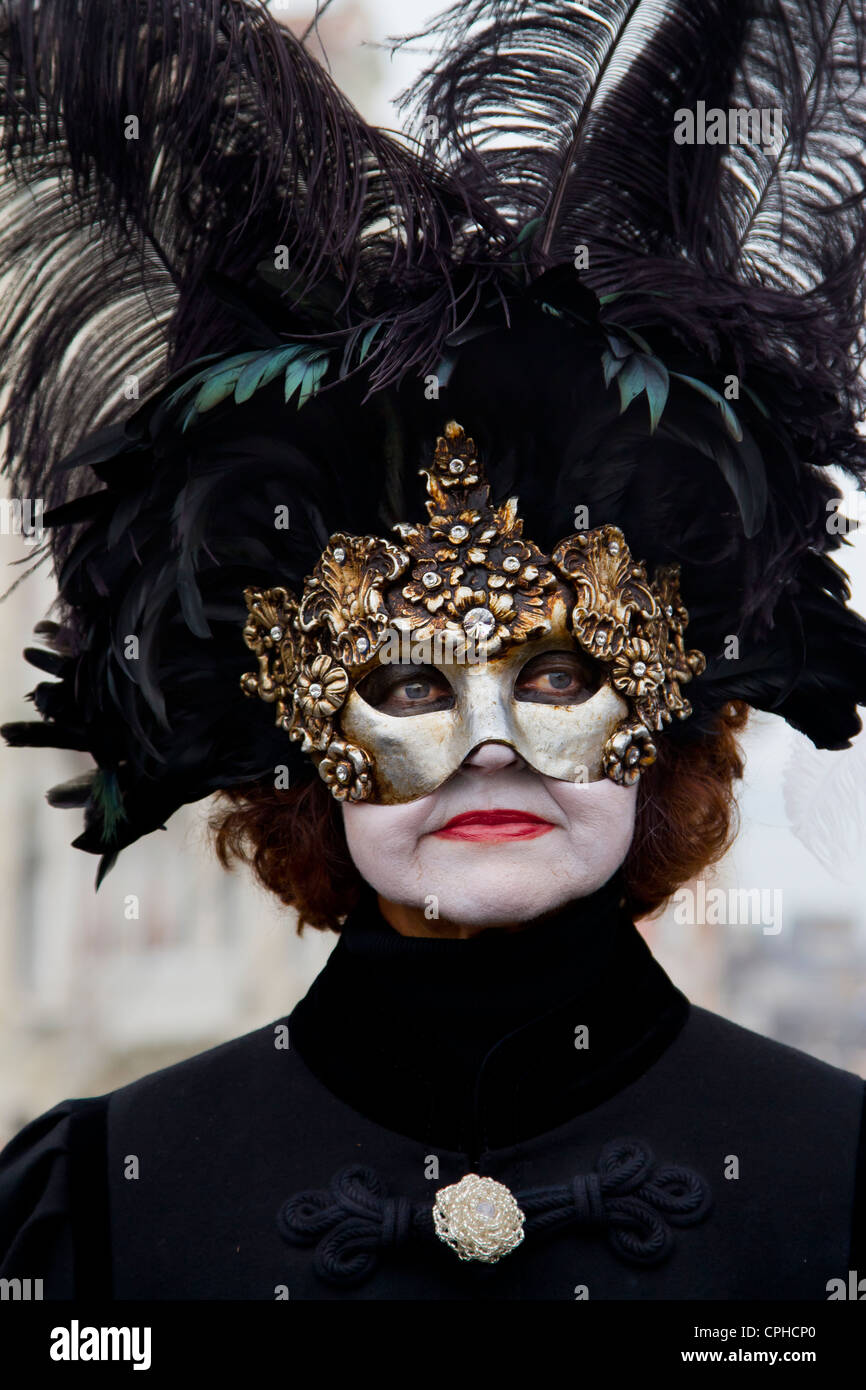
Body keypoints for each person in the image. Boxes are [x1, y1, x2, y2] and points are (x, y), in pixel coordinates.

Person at [0, 0, 864, 1300]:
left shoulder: (839, 1182)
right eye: (404, 682)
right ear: (301, 731)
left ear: (667, 709)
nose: (492, 743)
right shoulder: (100, 1208)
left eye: (562, 674)